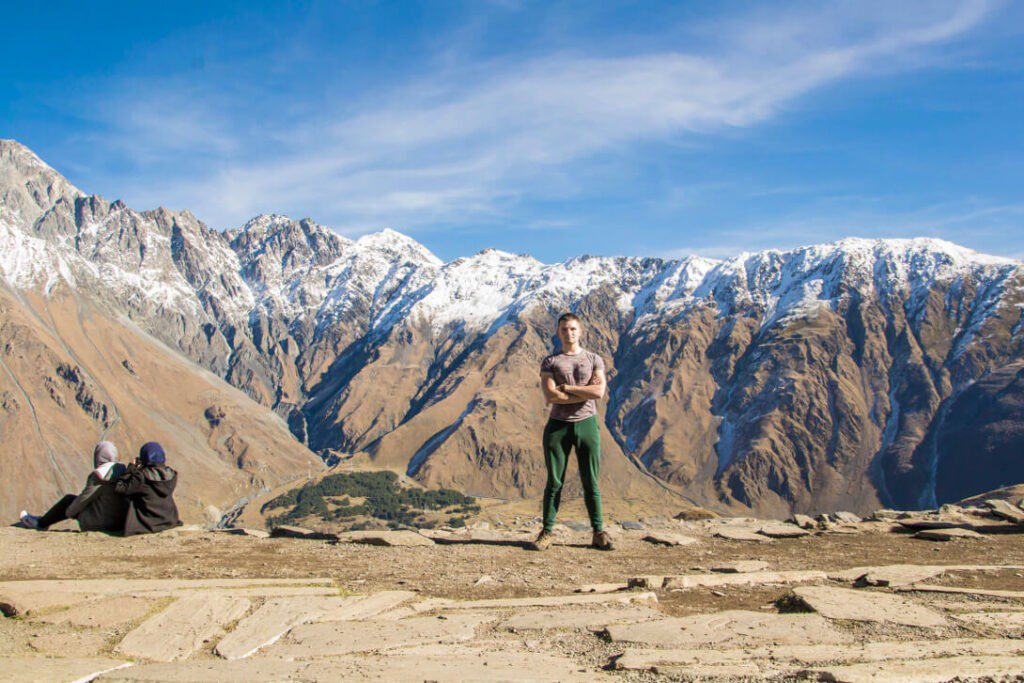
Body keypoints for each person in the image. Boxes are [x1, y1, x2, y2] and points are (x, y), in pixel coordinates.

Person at [533, 312, 613, 551]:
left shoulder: (594, 359)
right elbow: (549, 395)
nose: (569, 333)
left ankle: (598, 532)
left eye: (573, 329)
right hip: (558, 426)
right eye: (564, 329)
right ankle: (547, 532)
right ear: (558, 333)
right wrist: (583, 390)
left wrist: (566, 388)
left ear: (581, 331)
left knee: (591, 481)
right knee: (554, 481)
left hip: (587, 424)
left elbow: (598, 393)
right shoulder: (550, 362)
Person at [19, 442, 128, 532]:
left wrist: (69, 512)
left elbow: (84, 498)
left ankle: (40, 523)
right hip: (120, 523)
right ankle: (43, 521)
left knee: (69, 500)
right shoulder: (123, 471)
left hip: (99, 523)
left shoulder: (100, 476)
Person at [115, 441, 182, 536]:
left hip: (148, 524)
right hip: (169, 520)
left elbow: (120, 489)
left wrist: (131, 468)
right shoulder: (171, 474)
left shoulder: (141, 476)